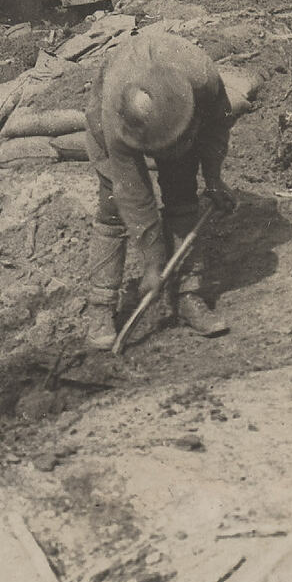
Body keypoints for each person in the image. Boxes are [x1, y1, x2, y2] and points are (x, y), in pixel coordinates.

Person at [82, 28, 237, 347]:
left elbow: (219, 125)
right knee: (113, 208)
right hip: (108, 114)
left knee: (182, 194)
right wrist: (153, 262)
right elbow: (134, 195)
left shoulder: (202, 77)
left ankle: (186, 294)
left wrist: (213, 177)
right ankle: (100, 307)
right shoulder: (115, 116)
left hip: (181, 112)